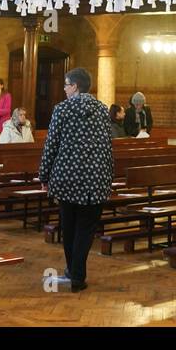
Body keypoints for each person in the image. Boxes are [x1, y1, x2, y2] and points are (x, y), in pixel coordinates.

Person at [38, 67, 113, 292]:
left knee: (69, 226)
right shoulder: (102, 110)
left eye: (66, 85)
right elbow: (109, 146)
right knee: (86, 228)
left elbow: (51, 144)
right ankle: (76, 274)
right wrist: (108, 176)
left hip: (66, 177)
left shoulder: (61, 109)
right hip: (95, 178)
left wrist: (44, 174)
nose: (63, 89)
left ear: (75, 86)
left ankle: (74, 272)